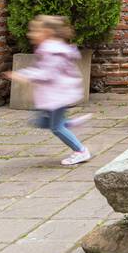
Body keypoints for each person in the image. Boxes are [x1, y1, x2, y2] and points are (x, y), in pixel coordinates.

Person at [6, 15, 91, 166]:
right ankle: (68, 124)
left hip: (58, 95)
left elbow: (47, 73)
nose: (30, 34)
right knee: (40, 122)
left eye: (35, 31)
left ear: (47, 33)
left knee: (56, 128)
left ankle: (81, 150)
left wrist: (23, 75)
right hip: (53, 95)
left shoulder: (54, 52)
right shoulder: (49, 49)